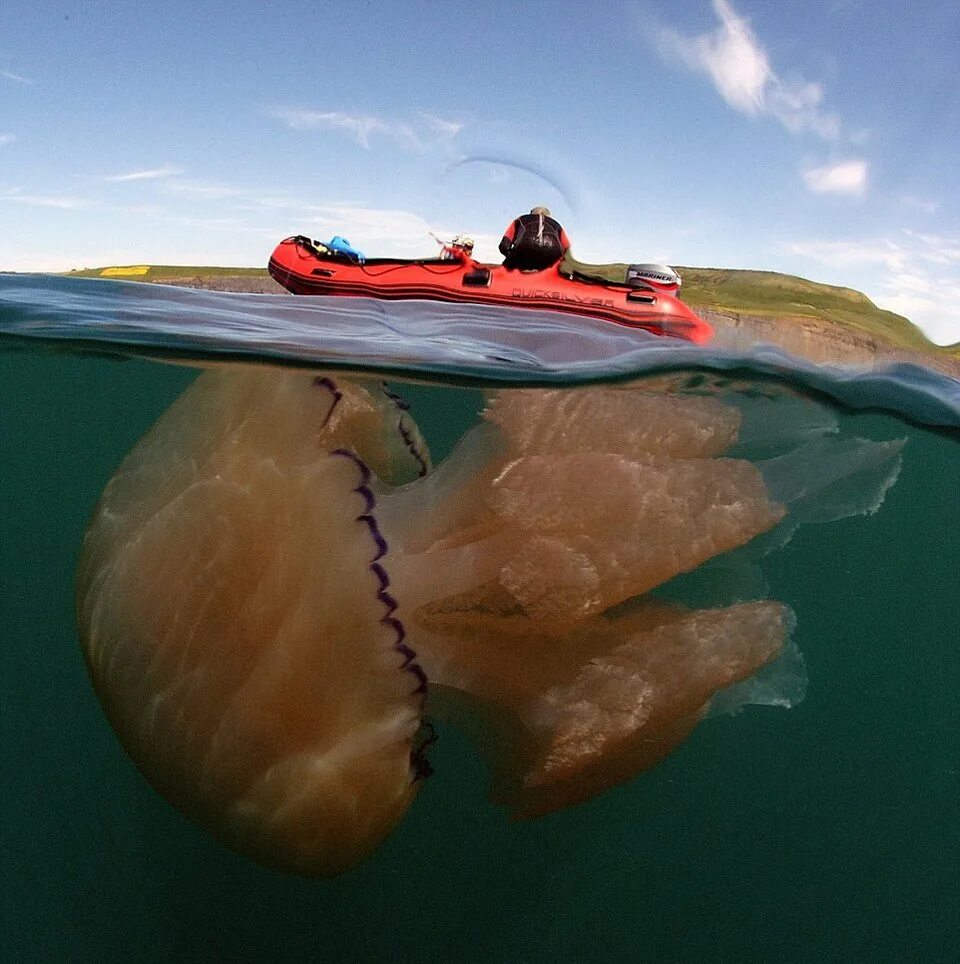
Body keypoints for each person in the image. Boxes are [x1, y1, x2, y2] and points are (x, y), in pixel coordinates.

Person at [499, 206, 571, 271]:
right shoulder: (557, 225)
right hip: (551, 257)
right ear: (549, 216)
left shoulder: (520, 220)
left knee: (505, 272)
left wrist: (512, 257)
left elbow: (504, 245)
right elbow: (567, 249)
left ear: (531, 214)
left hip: (523, 253)